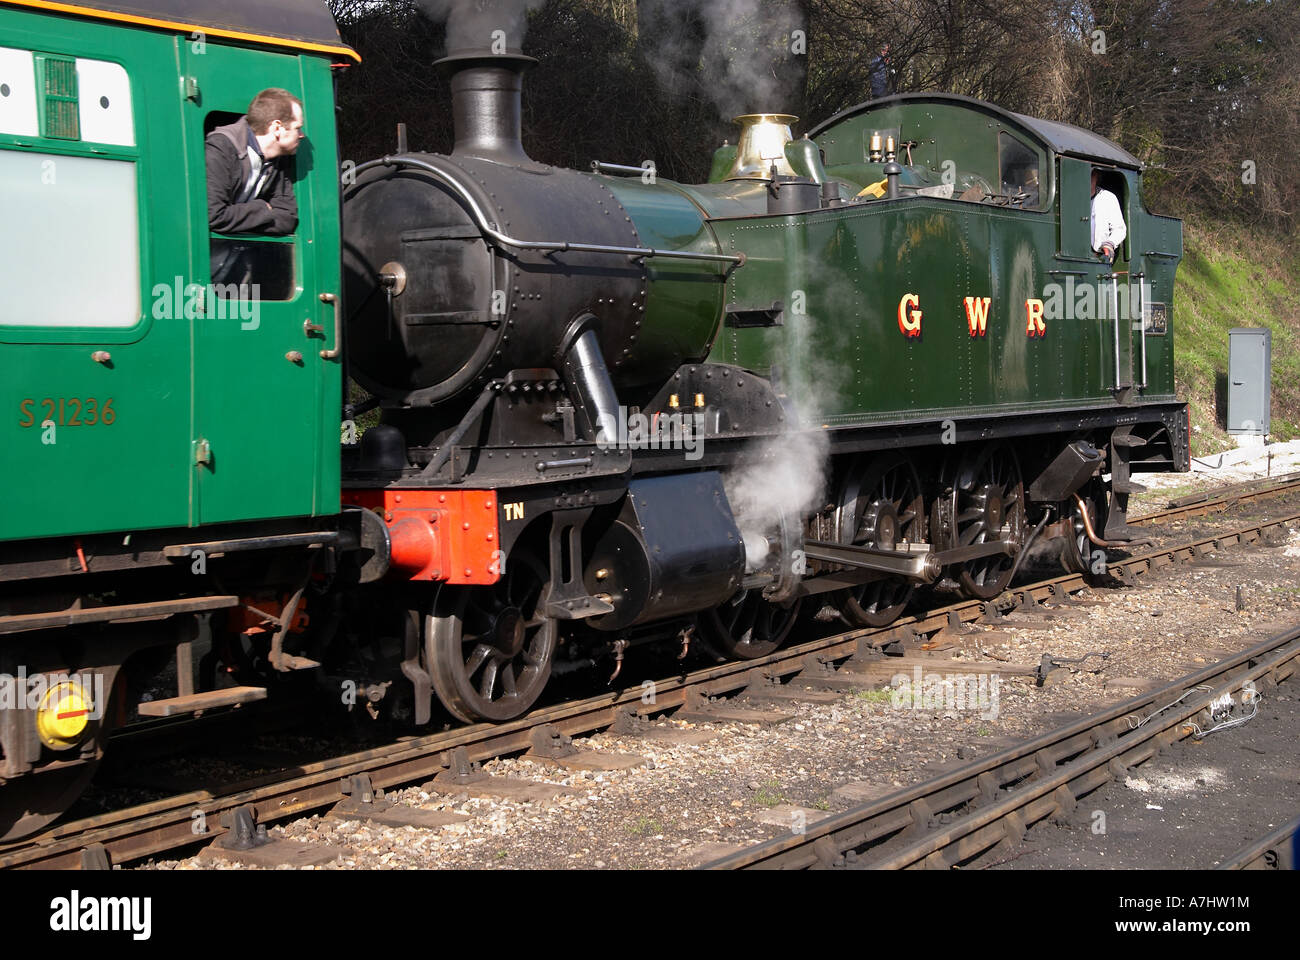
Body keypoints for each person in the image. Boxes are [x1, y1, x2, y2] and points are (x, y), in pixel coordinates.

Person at [206, 88, 303, 283]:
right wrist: (263, 209)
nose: (301, 135)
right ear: (277, 128)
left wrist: (241, 218)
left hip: (238, 266)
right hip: (205, 269)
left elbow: (288, 217)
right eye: (297, 128)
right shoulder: (221, 149)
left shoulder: (278, 160)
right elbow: (214, 215)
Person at [1090, 168, 1126, 264]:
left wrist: (1109, 243)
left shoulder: (1108, 198)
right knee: (1070, 279)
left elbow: (1120, 228)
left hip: (1099, 257)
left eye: (1092, 175)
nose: (1088, 179)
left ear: (1097, 176)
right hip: (1074, 259)